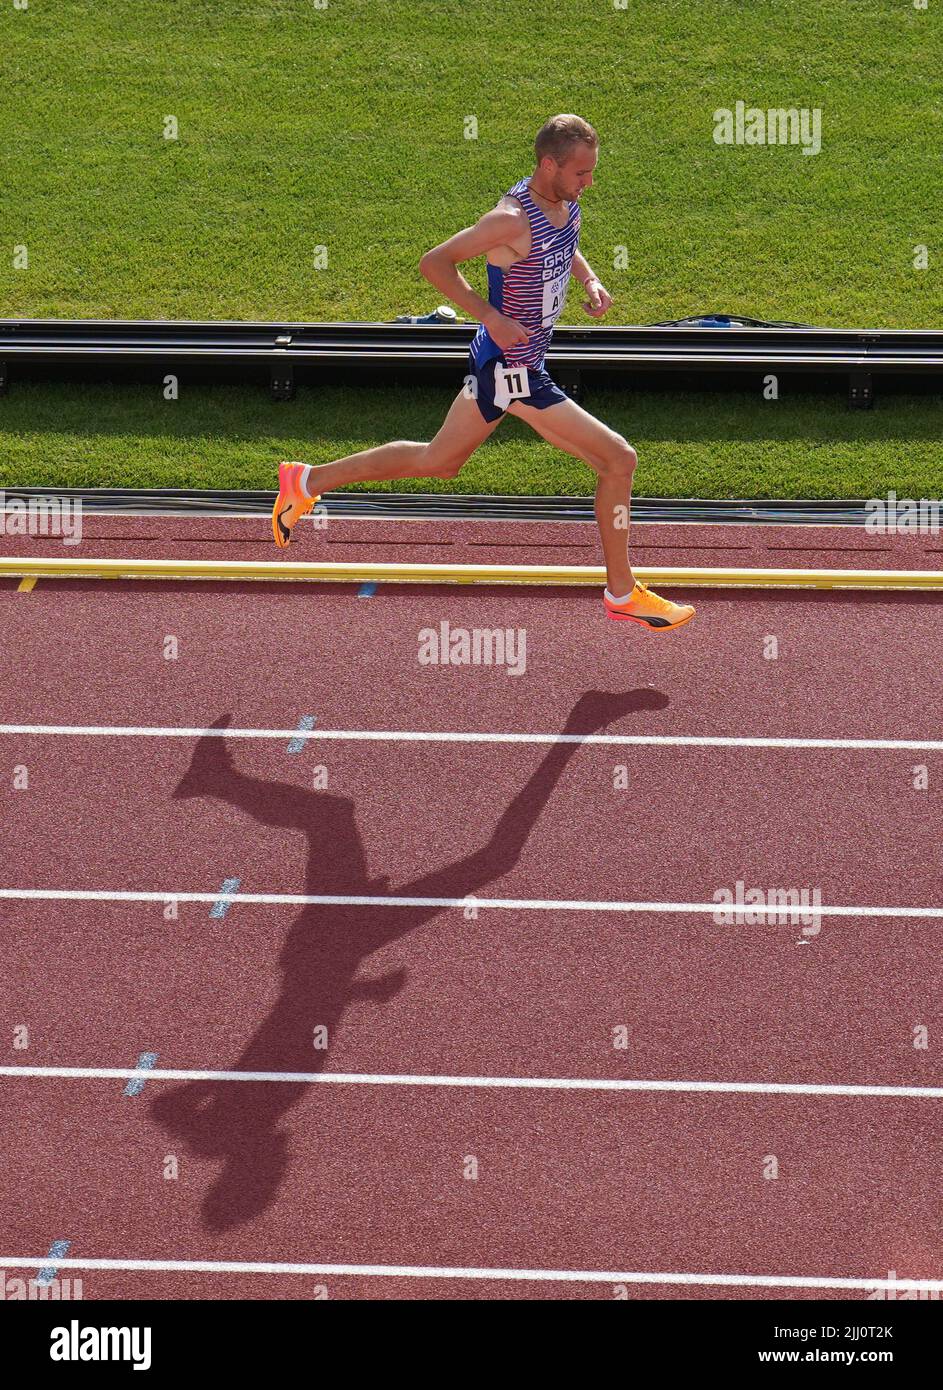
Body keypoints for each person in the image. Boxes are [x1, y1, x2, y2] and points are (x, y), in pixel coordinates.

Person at [272, 113, 695, 631]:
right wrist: (492, 316)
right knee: (618, 460)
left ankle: (305, 480)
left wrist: (588, 279)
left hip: (517, 362)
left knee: (439, 460)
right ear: (548, 163)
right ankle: (622, 592)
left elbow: (565, 244)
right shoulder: (509, 221)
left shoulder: (563, 202)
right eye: (582, 173)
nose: (590, 182)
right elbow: (435, 263)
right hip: (510, 370)